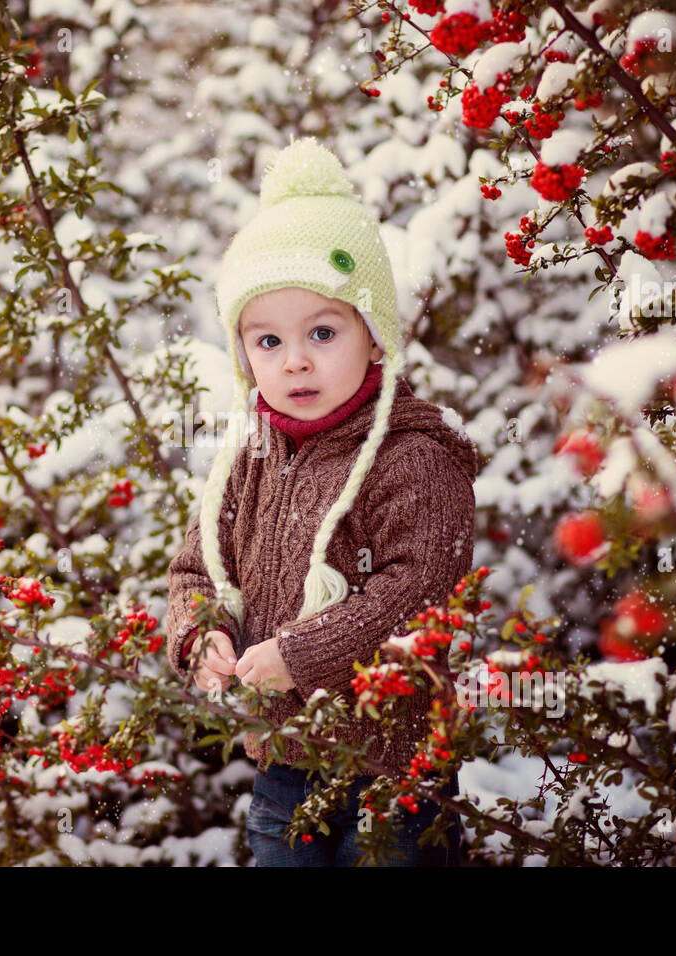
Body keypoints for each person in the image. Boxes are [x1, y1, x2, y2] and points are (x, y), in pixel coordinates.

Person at [164, 136, 479, 866]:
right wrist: (198, 634)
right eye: (268, 340)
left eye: (323, 332)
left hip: (395, 774)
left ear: (376, 337)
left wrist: (303, 655)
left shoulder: (413, 460)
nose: (295, 359)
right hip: (281, 765)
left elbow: (419, 595)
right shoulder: (253, 454)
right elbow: (193, 570)